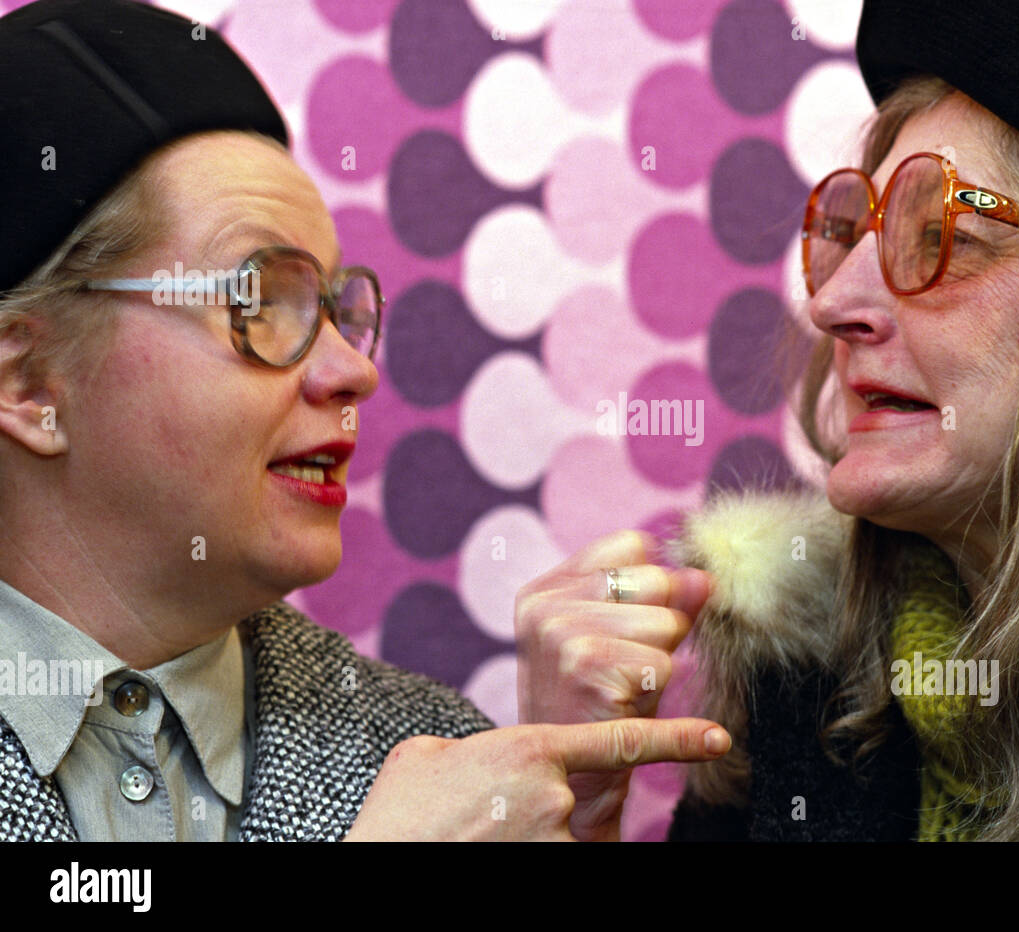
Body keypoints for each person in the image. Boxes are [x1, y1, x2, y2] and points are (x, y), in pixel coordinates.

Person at [517, 0, 1019, 840]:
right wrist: (578, 817)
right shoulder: (798, 703)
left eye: (944, 236)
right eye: (852, 233)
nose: (834, 304)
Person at [0, 0, 729, 843]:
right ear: (30, 383)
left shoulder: (442, 757)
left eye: (339, 309)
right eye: (257, 301)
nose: (355, 370)